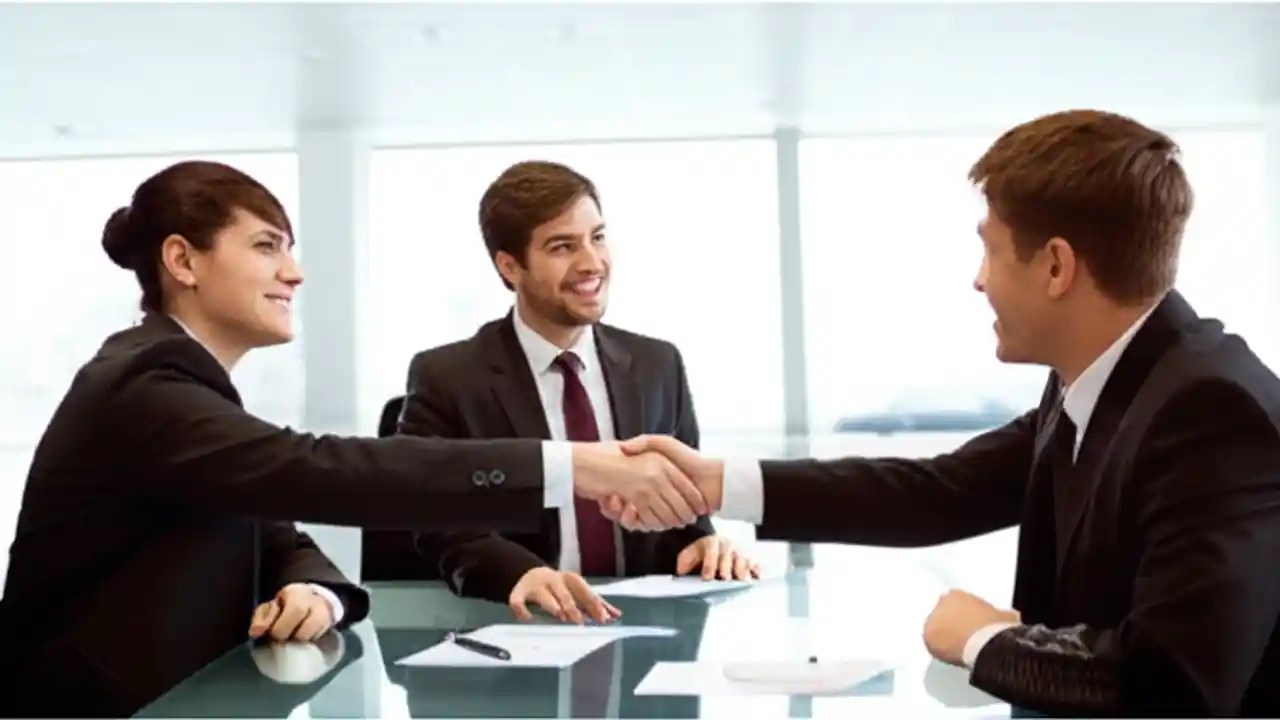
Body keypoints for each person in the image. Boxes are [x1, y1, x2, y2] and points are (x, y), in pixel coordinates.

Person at [615, 110, 1280, 716]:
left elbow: (1173, 684)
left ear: (1056, 267)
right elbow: (938, 491)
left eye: (990, 248)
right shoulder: (1104, 379)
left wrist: (983, 640)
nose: (979, 279)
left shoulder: (1212, 413)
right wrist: (715, 483)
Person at [0, 160, 707, 717]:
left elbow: (278, 531)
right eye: (266, 247)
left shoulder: (185, 385)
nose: (295, 272)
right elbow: (318, 471)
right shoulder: (146, 384)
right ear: (183, 262)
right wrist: (568, 467)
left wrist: (317, 590)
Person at [362, 160, 758, 623]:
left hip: (637, 631)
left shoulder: (657, 365)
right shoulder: (448, 376)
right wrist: (520, 573)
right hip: (516, 630)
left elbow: (683, 508)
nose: (592, 263)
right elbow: (437, 520)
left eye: (597, 237)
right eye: (562, 246)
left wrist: (704, 543)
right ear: (510, 266)